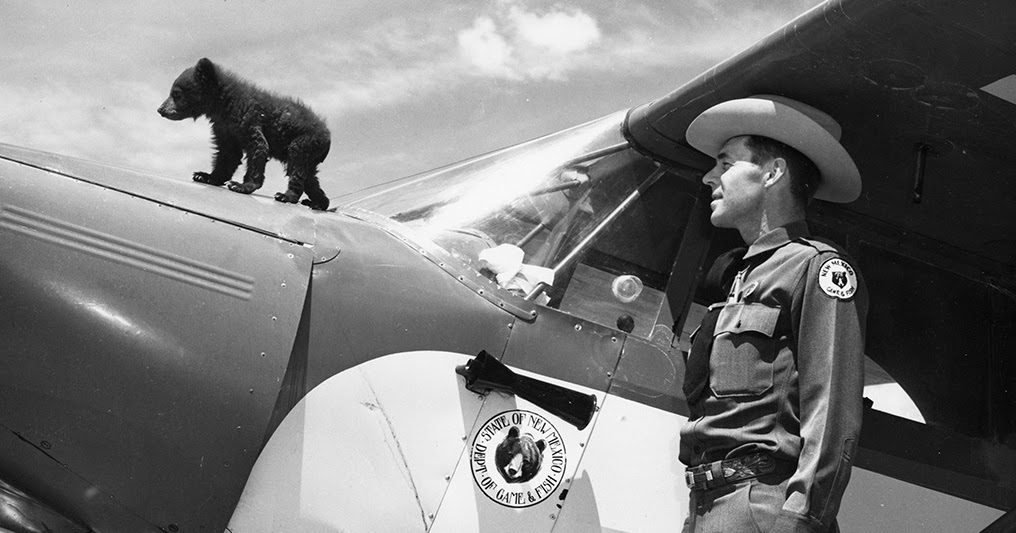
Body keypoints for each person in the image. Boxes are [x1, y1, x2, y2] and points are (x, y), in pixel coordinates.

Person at [679, 95, 868, 533]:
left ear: (772, 173)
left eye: (725, 163)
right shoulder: (741, 275)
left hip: (761, 512)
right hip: (708, 508)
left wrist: (799, 521)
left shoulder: (819, 268)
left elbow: (832, 412)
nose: (709, 176)